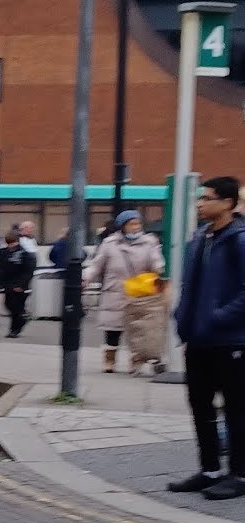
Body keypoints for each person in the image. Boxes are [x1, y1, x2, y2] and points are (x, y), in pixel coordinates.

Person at [169, 177, 245, 501]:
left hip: (231, 341)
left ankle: (239, 475)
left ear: (228, 203)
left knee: (237, 409)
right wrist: (182, 317)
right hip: (197, 339)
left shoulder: (239, 240)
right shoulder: (198, 238)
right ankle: (210, 469)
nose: (200, 204)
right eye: (199, 199)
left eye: (207, 198)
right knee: (200, 407)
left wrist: (219, 316)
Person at [84, 210, 165, 374]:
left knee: (138, 329)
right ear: (122, 226)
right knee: (112, 328)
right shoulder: (109, 243)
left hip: (139, 292)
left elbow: (156, 262)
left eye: (138, 224)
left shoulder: (149, 243)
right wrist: (85, 277)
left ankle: (136, 360)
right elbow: (96, 265)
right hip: (115, 291)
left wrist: (158, 269)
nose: (136, 227)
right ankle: (109, 359)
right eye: (131, 224)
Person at [0, 231, 36, 338]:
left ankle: (15, 329)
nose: (10, 246)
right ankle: (22, 318)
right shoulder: (4, 252)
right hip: (8, 283)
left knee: (17, 307)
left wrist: (21, 284)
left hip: (20, 284)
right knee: (8, 304)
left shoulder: (24, 254)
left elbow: (28, 271)